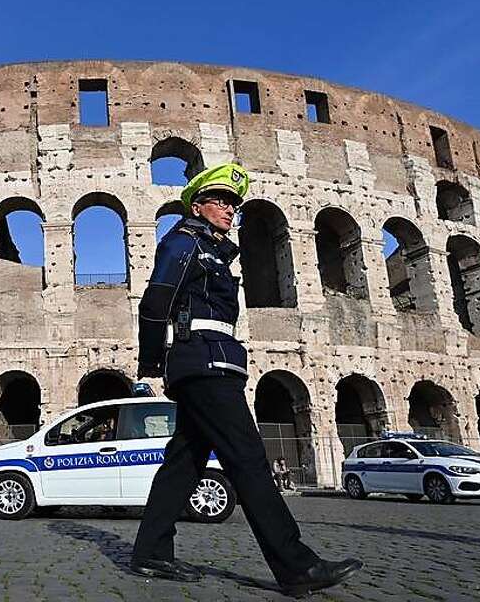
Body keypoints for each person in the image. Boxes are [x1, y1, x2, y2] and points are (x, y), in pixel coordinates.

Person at [130, 164, 362, 596]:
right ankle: (295, 565)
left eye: (233, 204)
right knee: (249, 459)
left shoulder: (215, 252)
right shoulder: (183, 241)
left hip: (216, 361)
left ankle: (150, 551)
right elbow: (155, 300)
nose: (229, 210)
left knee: (184, 464)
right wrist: (151, 366)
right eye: (220, 201)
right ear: (196, 205)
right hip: (202, 363)